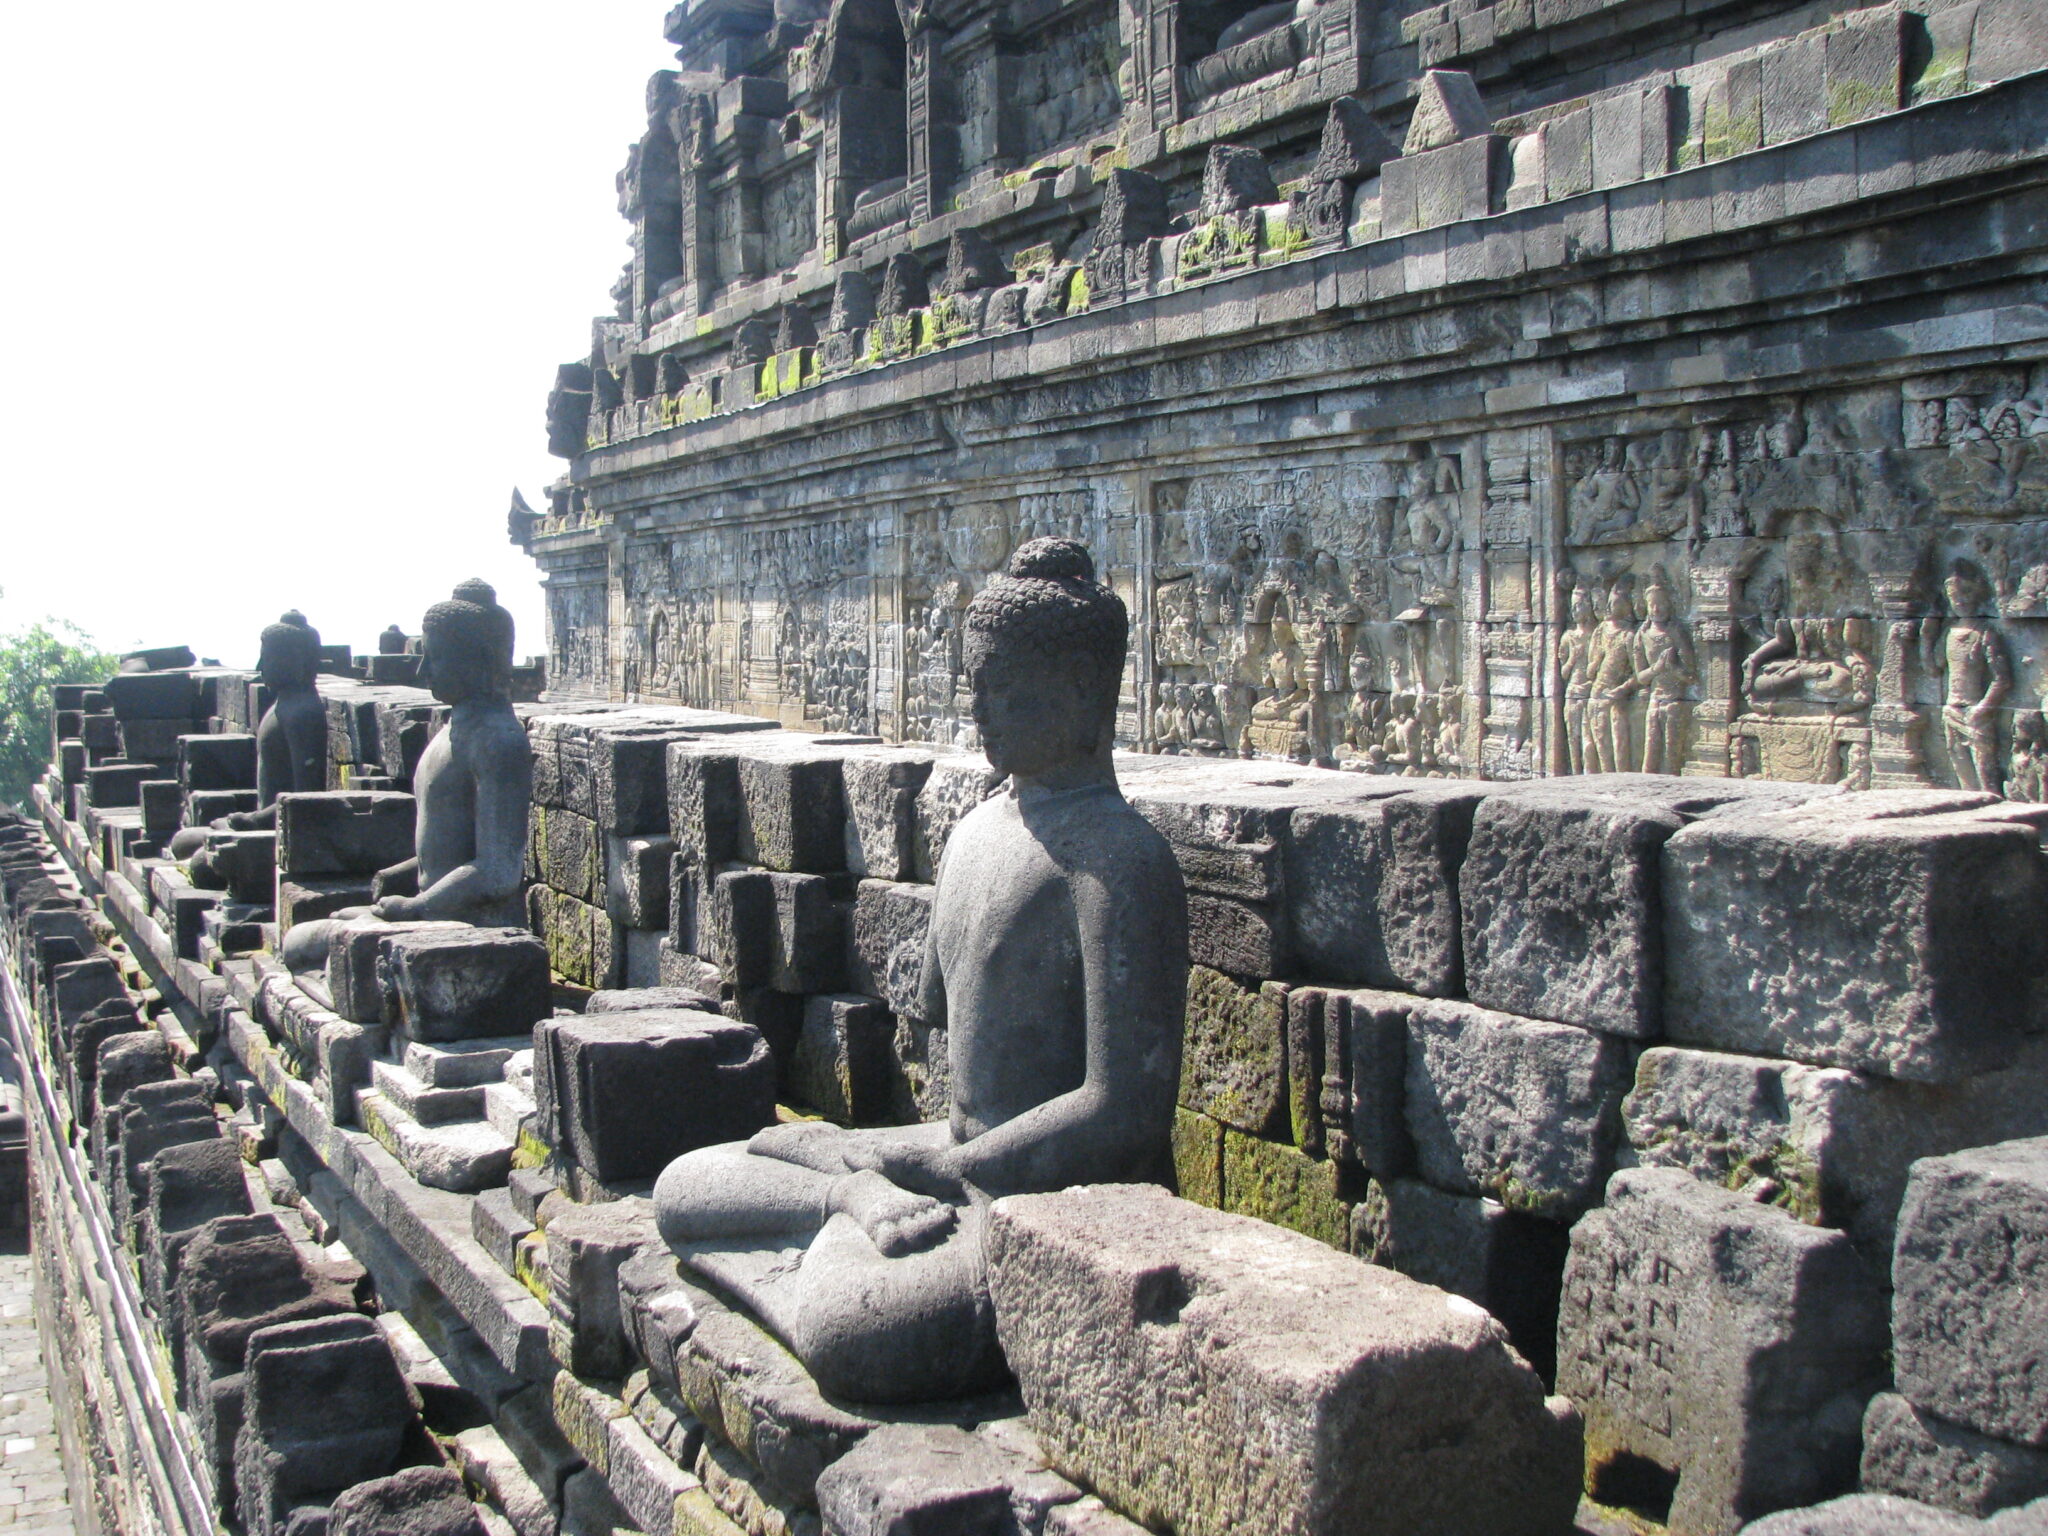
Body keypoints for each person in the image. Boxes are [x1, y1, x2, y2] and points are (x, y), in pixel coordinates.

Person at [654, 539, 1190, 1403]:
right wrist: (891, 1170)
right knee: (688, 1185)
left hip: (1060, 1199)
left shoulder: (1123, 864)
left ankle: (832, 1238)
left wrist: (948, 1174)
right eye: (971, 682)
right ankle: (844, 1207)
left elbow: (1122, 1110)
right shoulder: (979, 830)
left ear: (1085, 688)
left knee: (853, 1327)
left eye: (1000, 687)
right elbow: (944, 1018)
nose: (977, 709)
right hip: (949, 1153)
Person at [278, 581, 531, 969]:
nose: (422, 669)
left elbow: (498, 873)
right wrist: (399, 876)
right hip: (435, 912)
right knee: (329, 924)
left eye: (435, 657)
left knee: (299, 945)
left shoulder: (498, 741)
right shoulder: (457, 729)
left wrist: (417, 907)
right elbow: (449, 846)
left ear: (478, 660)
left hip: (476, 930)